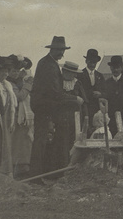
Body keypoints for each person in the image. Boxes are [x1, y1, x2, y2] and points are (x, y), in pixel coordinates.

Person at [29, 37, 83, 178]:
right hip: (44, 108)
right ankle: (36, 176)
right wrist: (74, 99)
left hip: (45, 108)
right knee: (41, 142)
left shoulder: (48, 63)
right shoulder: (49, 65)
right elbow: (55, 93)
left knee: (43, 142)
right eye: (59, 50)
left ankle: (40, 174)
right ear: (52, 49)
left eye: (63, 50)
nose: (61, 53)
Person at [78, 49, 105, 130]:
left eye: (95, 62)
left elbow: (105, 91)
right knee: (85, 130)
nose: (93, 64)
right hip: (84, 109)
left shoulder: (100, 76)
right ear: (86, 61)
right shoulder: (80, 74)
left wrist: (100, 94)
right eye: (91, 62)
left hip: (97, 110)